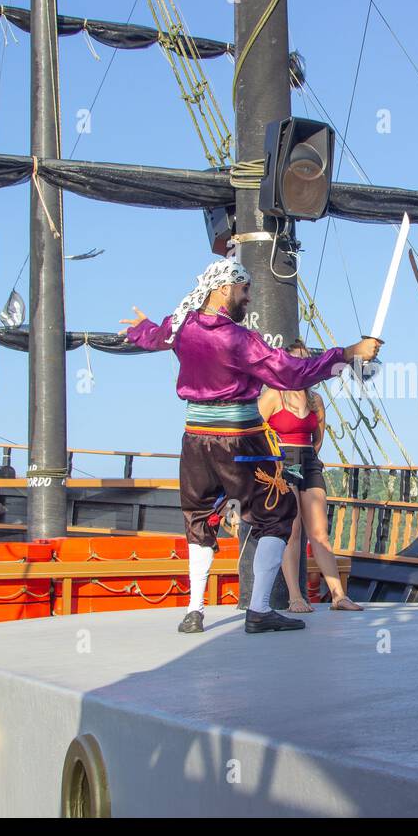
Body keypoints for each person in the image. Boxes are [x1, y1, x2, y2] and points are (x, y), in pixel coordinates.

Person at [122, 256, 380, 635]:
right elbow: (291, 372)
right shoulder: (237, 339)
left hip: (194, 439)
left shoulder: (183, 325)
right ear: (225, 288)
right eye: (245, 291)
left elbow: (154, 336)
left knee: (198, 516)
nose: (249, 300)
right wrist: (345, 354)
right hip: (239, 441)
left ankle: (194, 612)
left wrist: (140, 328)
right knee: (277, 513)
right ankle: (259, 610)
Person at [258, 340, 363, 613]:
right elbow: (253, 431)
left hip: (309, 459)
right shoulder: (273, 395)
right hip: (285, 459)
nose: (302, 365)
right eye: (296, 360)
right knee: (292, 532)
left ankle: (339, 596)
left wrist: (310, 458)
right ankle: (295, 596)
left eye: (306, 360)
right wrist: (273, 462)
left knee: (319, 532)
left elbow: (318, 438)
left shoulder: (315, 399)